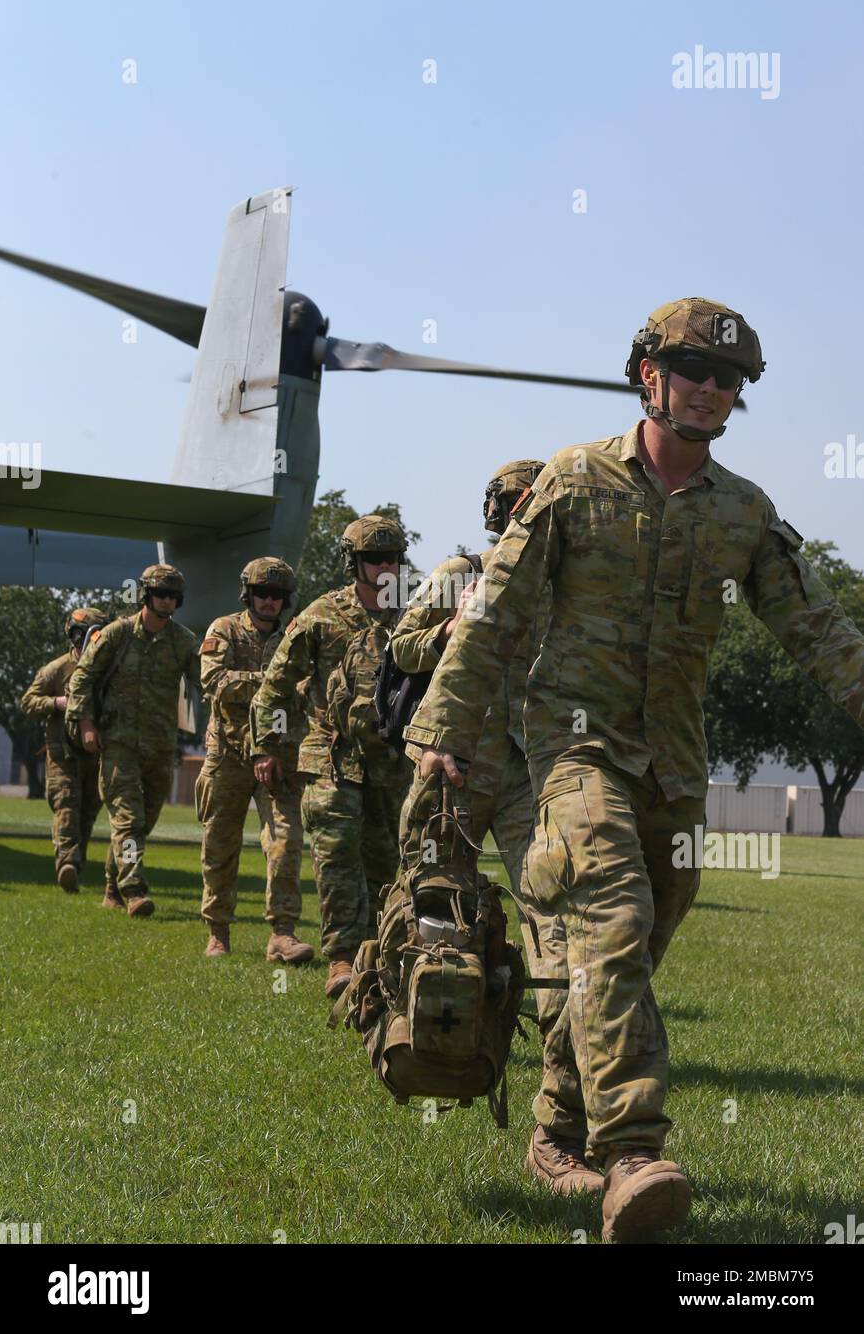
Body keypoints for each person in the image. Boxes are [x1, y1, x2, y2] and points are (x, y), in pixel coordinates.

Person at [403, 297, 864, 1243]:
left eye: (730, 379)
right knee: (614, 912)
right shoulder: (574, 482)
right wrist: (442, 723)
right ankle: (635, 1155)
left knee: (621, 958)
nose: (712, 389)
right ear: (648, 373)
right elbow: (489, 612)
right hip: (573, 751)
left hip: (676, 768)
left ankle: (556, 1130)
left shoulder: (743, 511)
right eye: (694, 368)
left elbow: (817, 629)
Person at [393, 463, 595, 1190]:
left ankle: (559, 1103)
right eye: (515, 505)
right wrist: (455, 623)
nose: (524, 515)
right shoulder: (462, 570)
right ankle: (422, 1040)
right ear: (495, 511)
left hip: (530, 773)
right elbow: (402, 646)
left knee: (553, 919)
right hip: (453, 765)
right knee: (429, 912)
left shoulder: (562, 583)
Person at [251, 515, 413, 1000]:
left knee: (386, 866)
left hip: (392, 763)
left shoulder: (416, 614)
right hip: (330, 756)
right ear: (353, 563)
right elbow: (274, 687)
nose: (384, 566)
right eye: (373, 559)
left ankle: (381, 960)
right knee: (337, 856)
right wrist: (266, 746)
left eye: (391, 558)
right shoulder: (321, 616)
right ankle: (341, 959)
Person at [66, 564, 200, 918]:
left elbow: (207, 681)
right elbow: (82, 678)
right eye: (160, 593)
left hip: (160, 746)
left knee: (143, 822)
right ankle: (134, 887)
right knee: (127, 818)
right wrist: (86, 724)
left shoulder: (184, 642)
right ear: (145, 594)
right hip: (117, 742)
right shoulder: (116, 634)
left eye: (173, 595)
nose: (167, 601)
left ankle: (112, 885)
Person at [197, 558, 313, 964]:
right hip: (228, 753)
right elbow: (215, 682)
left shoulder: (297, 635)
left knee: (286, 840)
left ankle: (282, 933)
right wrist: (275, 683)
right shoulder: (223, 629)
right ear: (248, 594)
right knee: (220, 843)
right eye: (262, 593)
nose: (269, 601)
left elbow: (308, 688)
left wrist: (273, 687)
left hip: (278, 755)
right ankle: (218, 931)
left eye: (277, 595)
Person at [20, 606, 116, 897]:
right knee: (66, 804)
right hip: (62, 753)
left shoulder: (109, 672)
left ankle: (76, 865)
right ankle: (66, 862)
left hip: (96, 753)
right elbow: (28, 702)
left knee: (88, 810)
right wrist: (57, 703)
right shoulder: (56, 669)